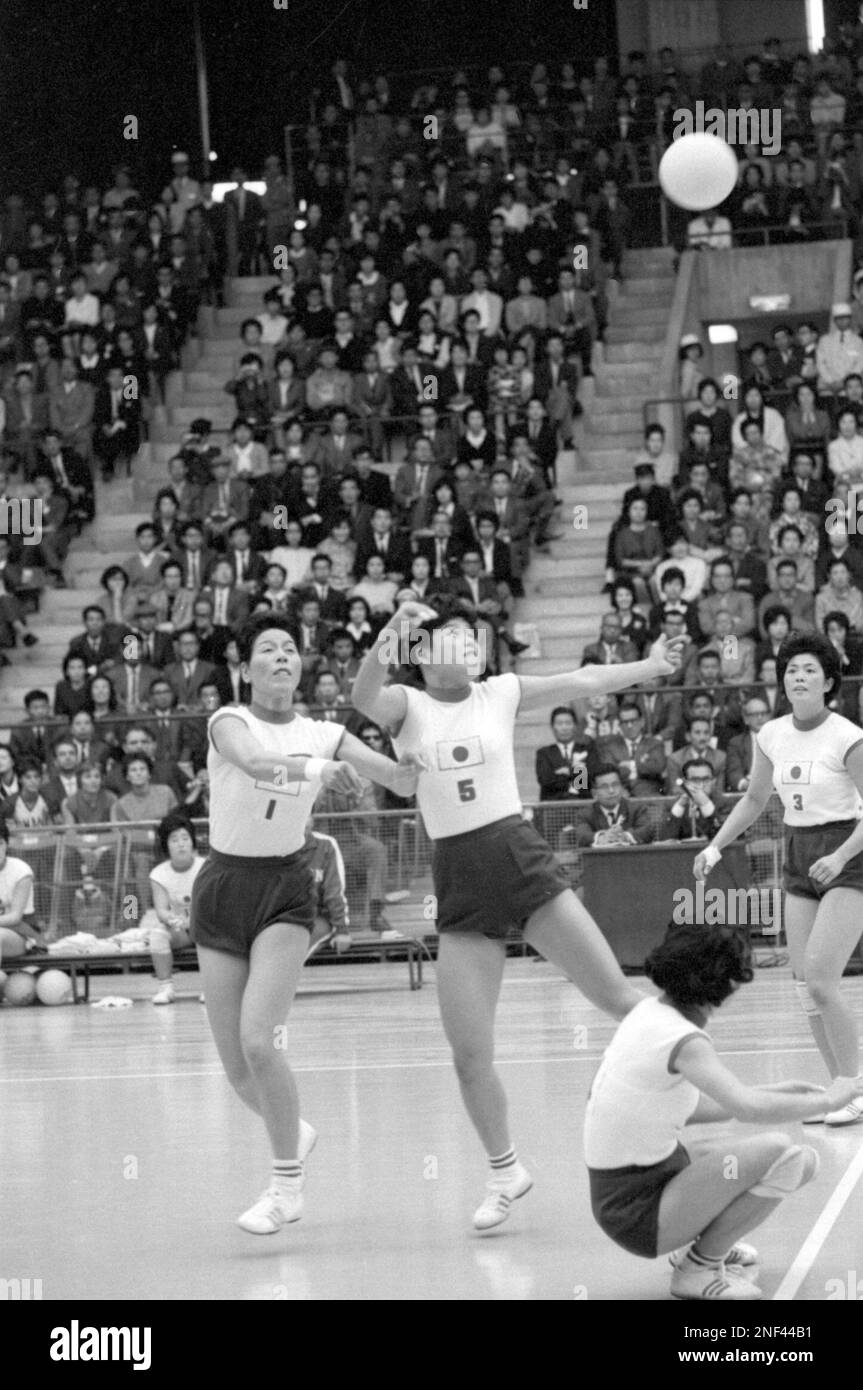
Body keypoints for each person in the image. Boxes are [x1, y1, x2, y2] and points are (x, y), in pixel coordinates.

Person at [352, 595, 685, 1230]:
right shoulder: (408, 706)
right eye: (456, 636)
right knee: (468, 1051)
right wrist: (397, 627)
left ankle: (690, 1077)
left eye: (476, 636)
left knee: (616, 995)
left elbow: (583, 680)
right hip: (460, 879)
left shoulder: (498, 692)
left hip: (519, 857)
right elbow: (365, 691)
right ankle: (504, 1170)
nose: (473, 644)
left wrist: (647, 665)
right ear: (422, 651)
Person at [188, 612, 422, 1234]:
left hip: (286, 890)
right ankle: (294, 1131)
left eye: (291, 648)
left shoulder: (325, 731)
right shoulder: (227, 721)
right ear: (246, 669)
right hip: (220, 889)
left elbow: (395, 777)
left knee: (261, 1041)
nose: (283, 657)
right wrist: (319, 772)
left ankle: (286, 1186)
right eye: (268, 648)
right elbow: (257, 764)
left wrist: (416, 760)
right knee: (237, 1067)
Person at [585, 925, 859, 1301]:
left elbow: (696, 1107)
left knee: (798, 1161)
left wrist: (774, 1091)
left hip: (628, 1198)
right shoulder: (684, 1040)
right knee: (785, 1155)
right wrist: (831, 1099)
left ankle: (704, 1243)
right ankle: (697, 1267)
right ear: (723, 985)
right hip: (638, 1215)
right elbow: (744, 1107)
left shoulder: (648, 1014)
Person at [695, 634, 863, 1126]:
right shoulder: (769, 734)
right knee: (801, 986)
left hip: (847, 855)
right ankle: (838, 1093)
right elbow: (753, 801)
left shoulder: (848, 736)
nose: (799, 677)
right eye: (791, 670)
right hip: (798, 852)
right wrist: (714, 845)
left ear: (829, 682)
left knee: (822, 980)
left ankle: (856, 1083)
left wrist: (841, 856)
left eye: (810, 670)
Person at [148, 811, 206, 1006]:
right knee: (157, 935)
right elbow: (161, 909)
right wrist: (172, 920)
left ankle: (210, 989)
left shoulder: (207, 868)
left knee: (212, 931)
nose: (181, 844)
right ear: (166, 846)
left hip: (205, 928)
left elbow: (213, 906)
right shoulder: (158, 874)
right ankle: (166, 988)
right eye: (174, 840)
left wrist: (194, 921)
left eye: (185, 838)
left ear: (192, 842)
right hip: (179, 931)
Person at [0, 822, 40, 965]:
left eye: (0, 844)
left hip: (21, 934)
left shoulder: (21, 871)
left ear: (6, 844)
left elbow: (15, 918)